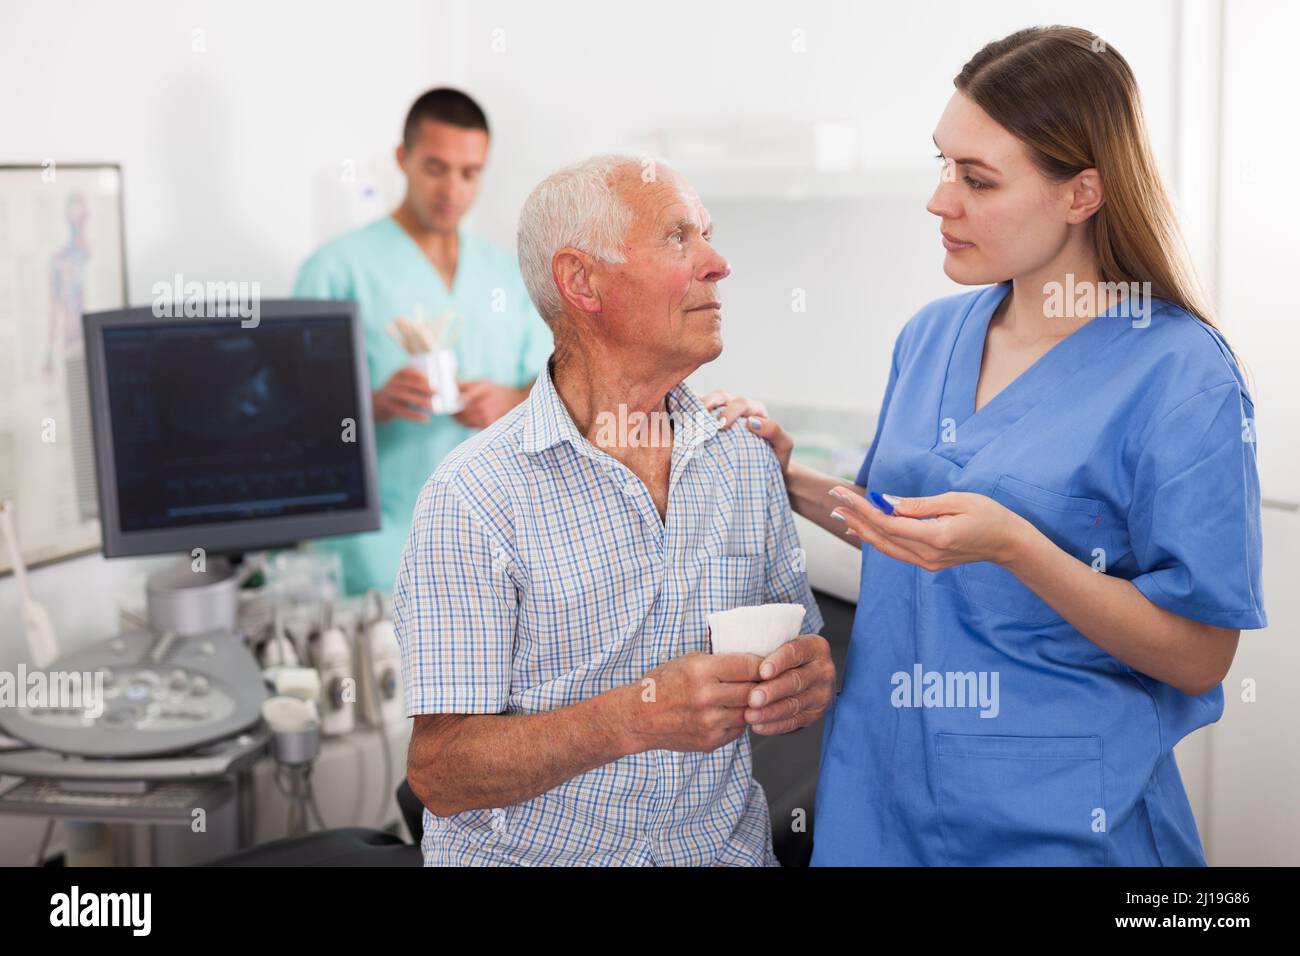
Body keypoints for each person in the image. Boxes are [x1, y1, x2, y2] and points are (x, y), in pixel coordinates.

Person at [709, 25, 1266, 865]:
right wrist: (788, 477)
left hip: (1057, 820)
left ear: (1082, 194)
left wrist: (1016, 547)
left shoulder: (1180, 375)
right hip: (878, 803)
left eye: (978, 179)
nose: (941, 200)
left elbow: (1198, 655)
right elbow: (907, 529)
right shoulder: (931, 336)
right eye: (942, 164)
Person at [393, 155, 835, 866]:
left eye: (708, 235)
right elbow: (441, 773)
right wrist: (637, 717)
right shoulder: (473, 497)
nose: (717, 263)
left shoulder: (743, 458)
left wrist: (807, 679)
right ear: (582, 282)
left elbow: (799, 652)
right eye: (678, 238)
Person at [293, 88, 552, 595]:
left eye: (469, 172)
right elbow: (290, 422)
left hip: (494, 544)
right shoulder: (336, 270)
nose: (451, 189)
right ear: (402, 159)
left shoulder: (507, 274)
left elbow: (562, 390)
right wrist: (371, 406)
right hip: (377, 553)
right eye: (436, 168)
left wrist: (514, 401)